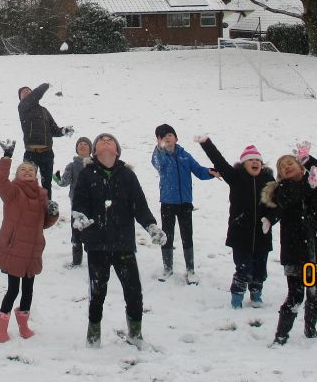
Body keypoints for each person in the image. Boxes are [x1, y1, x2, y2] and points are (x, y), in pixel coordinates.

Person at [71, 133, 167, 349]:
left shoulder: (127, 175)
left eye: (110, 141)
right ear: (95, 152)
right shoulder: (86, 174)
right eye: (101, 141)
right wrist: (80, 217)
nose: (105, 142)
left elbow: (140, 206)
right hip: (97, 244)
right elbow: (79, 203)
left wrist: (151, 226)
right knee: (97, 293)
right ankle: (93, 337)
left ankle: (135, 334)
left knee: (133, 291)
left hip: (123, 243)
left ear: (117, 150)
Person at [260, 144, 317, 346]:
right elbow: (291, 197)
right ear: (280, 175)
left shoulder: (315, 184)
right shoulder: (282, 189)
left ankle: (311, 329)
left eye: (290, 163)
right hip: (297, 252)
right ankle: (281, 335)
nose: (287, 166)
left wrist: (308, 160)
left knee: (316, 292)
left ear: (300, 167)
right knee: (295, 295)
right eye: (282, 166)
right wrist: (308, 184)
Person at [0, 138, 59, 342]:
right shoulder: (12, 192)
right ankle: (1, 330)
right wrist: (7, 157)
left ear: (36, 175)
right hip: (15, 249)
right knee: (13, 290)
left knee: (28, 291)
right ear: (16, 175)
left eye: (31, 170)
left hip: (33, 251)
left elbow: (43, 223)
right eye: (23, 170)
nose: (28, 172)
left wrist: (53, 213)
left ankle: (23, 326)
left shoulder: (42, 195)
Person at [194, 136, 275, 308]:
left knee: (260, 269)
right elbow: (219, 162)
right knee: (243, 269)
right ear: (244, 164)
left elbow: (277, 205)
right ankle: (237, 297)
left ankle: (256, 294)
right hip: (241, 234)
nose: (255, 162)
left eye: (257, 160)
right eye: (250, 160)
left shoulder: (269, 181)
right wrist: (206, 143)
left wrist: (270, 219)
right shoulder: (236, 177)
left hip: (262, 234)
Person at [150, 124, 217, 283]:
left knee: (187, 235)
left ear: (176, 138)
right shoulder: (159, 156)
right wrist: (160, 149)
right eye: (162, 136)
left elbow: (199, 170)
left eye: (169, 135)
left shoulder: (185, 156)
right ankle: (167, 267)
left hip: (185, 203)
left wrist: (210, 172)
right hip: (167, 203)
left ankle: (190, 269)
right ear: (158, 141)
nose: (167, 138)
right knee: (167, 235)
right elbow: (158, 165)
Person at [17, 83, 73, 198]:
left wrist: (63, 131)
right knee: (27, 184)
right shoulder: (23, 106)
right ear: (21, 98)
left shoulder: (44, 111)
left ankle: (47, 207)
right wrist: (45, 85)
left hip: (47, 154)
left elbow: (54, 130)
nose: (26, 91)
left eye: (28, 90)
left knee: (47, 185)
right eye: (23, 92)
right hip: (31, 153)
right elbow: (35, 95)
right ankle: (28, 207)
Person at [54, 136, 93, 267]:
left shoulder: (95, 164)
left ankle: (96, 260)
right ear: (77, 149)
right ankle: (76, 261)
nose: (82, 146)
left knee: (93, 235)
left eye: (85, 144)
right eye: (80, 144)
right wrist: (56, 178)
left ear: (90, 149)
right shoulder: (71, 166)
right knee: (76, 236)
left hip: (93, 206)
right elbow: (64, 183)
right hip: (77, 206)